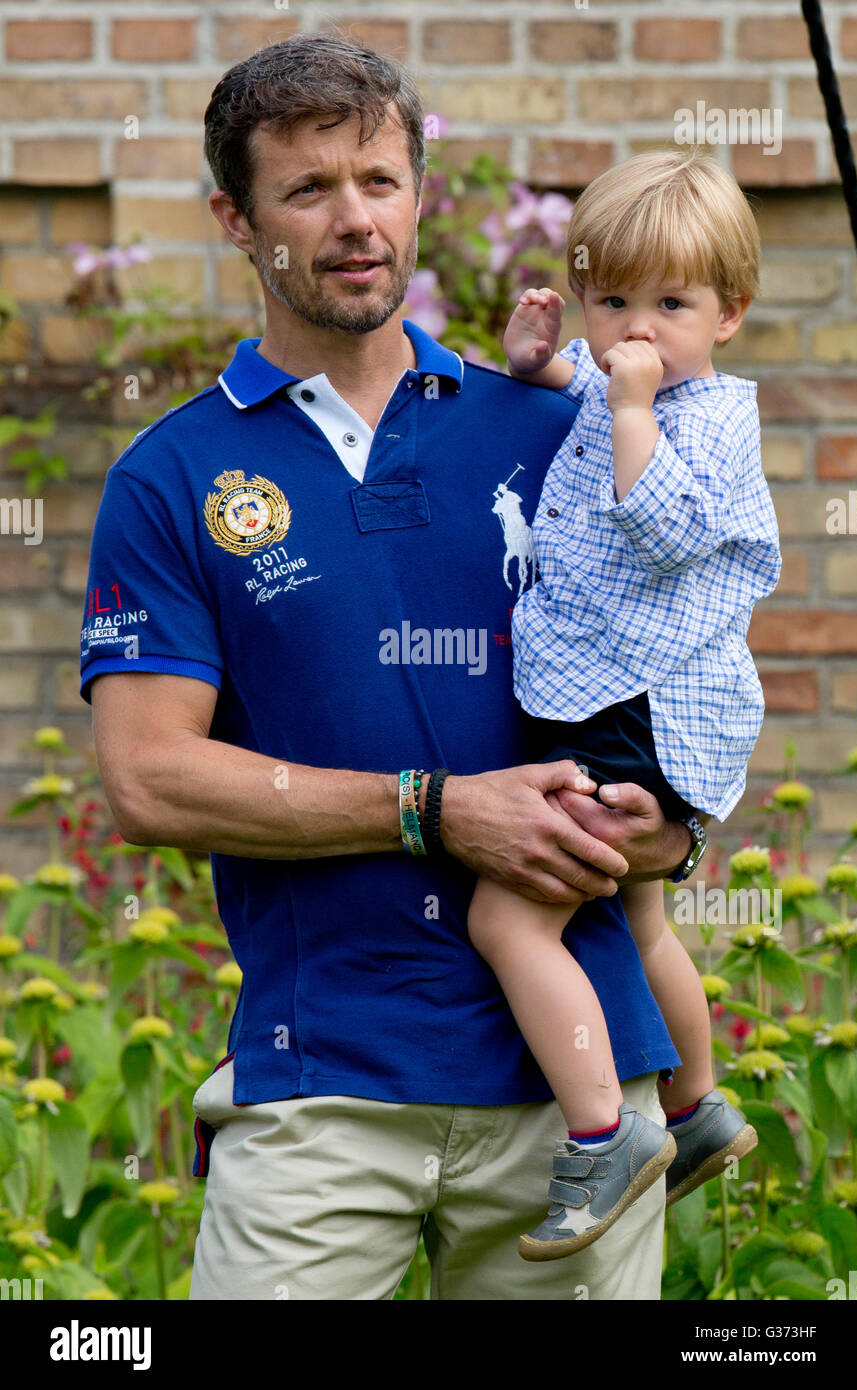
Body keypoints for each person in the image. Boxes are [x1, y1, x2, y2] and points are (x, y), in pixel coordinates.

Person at [79, 34, 697, 1301]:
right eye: (306, 190)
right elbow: (147, 783)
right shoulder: (173, 475)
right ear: (234, 218)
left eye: (377, 178)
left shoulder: (554, 429)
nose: (353, 219)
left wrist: (667, 827)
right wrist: (435, 808)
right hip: (320, 1091)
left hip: (572, 1097)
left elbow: (681, 681)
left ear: (419, 189)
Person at [466, 151, 781, 1261]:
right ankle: (696, 1110)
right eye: (609, 301)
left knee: (507, 917)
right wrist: (538, 363)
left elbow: (660, 521)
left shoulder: (704, 419)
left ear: (727, 313)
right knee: (638, 916)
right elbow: (590, 395)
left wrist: (630, 400)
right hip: (612, 698)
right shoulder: (636, 385)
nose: (631, 330)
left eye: (668, 304)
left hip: (633, 707)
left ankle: (603, 1133)